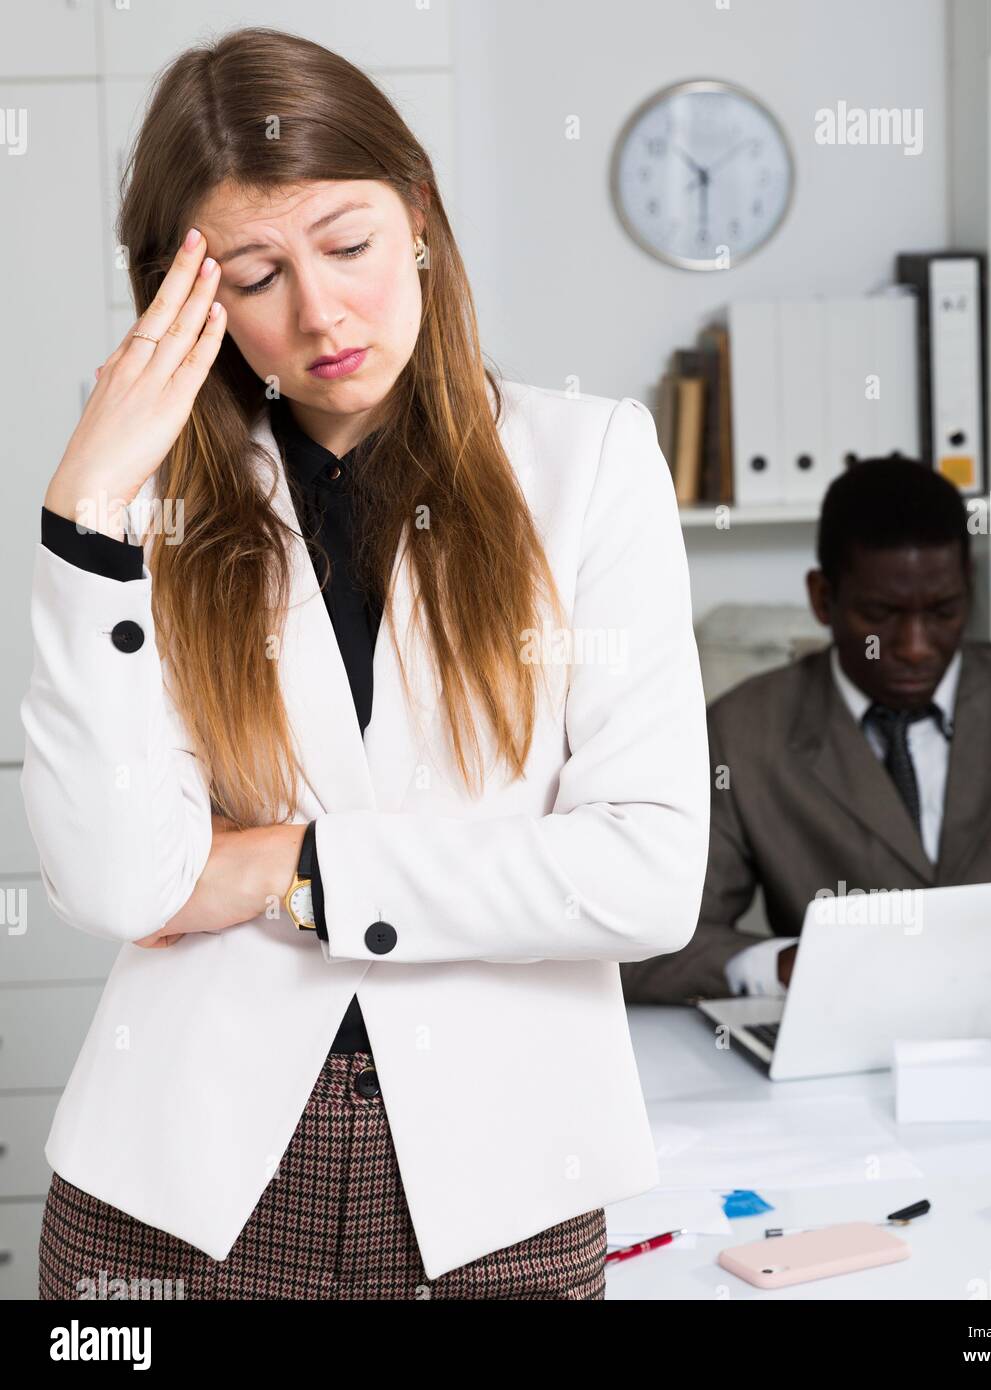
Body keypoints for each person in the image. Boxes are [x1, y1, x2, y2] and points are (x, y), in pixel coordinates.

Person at [23, 26, 709, 1300]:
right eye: (254, 273)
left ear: (420, 222)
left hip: (502, 1192)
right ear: (188, 299)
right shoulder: (150, 509)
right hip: (170, 1201)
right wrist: (83, 517)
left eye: (347, 245)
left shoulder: (591, 464)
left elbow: (646, 876)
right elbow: (122, 882)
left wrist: (291, 866)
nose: (321, 311)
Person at [620, 456, 991, 1006]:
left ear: (969, 586)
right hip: (837, 1056)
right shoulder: (743, 732)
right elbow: (648, 944)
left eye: (943, 611)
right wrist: (783, 966)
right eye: (881, 614)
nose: (916, 646)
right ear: (823, 599)